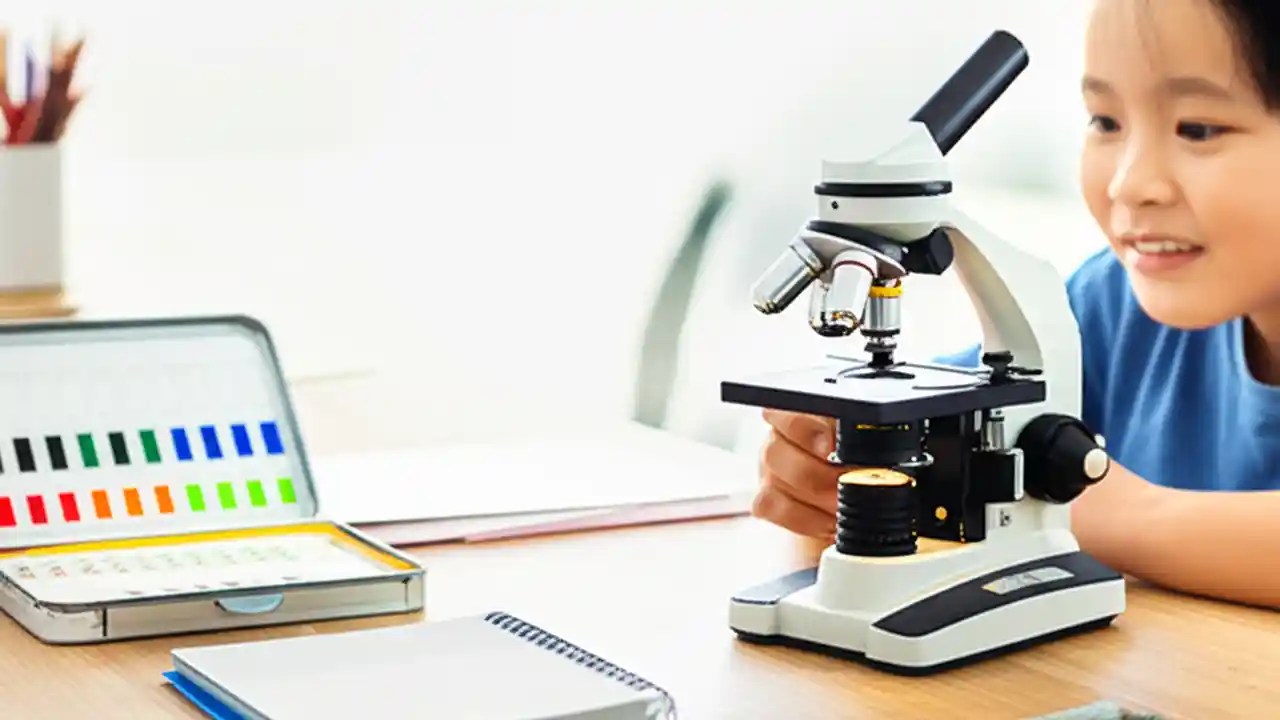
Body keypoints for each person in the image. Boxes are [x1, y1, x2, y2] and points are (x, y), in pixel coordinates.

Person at [752, 0, 1280, 609]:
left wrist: (1109, 514)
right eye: (1105, 121)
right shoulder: (1113, 307)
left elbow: (1066, 503)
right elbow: (945, 417)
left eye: (1199, 129)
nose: (1129, 185)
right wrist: (830, 461)